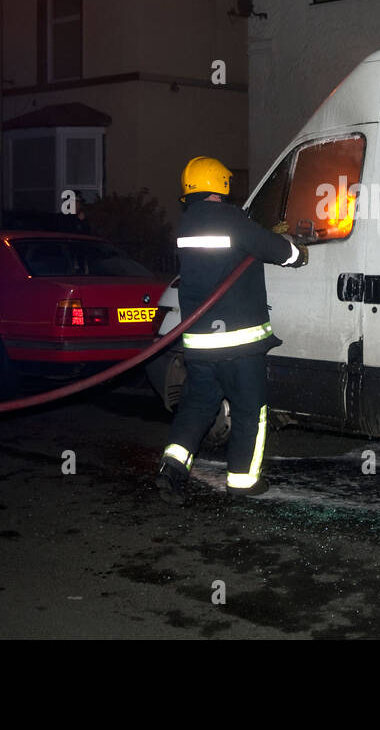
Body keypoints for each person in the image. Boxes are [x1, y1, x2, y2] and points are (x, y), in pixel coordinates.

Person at [155, 156, 308, 505]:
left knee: (197, 406)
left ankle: (172, 468)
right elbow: (275, 250)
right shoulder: (232, 220)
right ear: (222, 185)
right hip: (240, 345)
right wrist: (298, 254)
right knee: (248, 410)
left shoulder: (187, 224)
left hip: (200, 343)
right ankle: (241, 481)